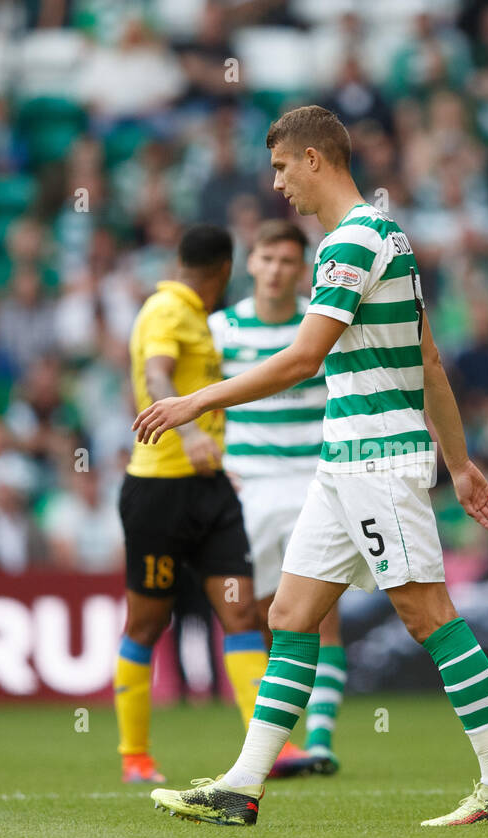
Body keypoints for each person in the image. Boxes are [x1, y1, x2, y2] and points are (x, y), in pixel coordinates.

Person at [135, 105, 488, 827]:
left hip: (376, 459)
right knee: (289, 616)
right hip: (341, 462)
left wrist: (197, 401)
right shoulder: (387, 235)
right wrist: (460, 463)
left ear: (314, 159)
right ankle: (242, 787)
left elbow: (303, 357)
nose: (277, 184)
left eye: (282, 167)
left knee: (428, 616)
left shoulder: (350, 242)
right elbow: (428, 359)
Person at [112, 224, 274, 785]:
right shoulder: (166, 311)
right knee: (148, 621)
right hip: (161, 490)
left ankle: (266, 753)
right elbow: (156, 375)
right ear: (226, 270)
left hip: (211, 490)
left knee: (241, 612)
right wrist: (188, 434)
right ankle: (135, 755)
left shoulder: (197, 318)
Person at [208, 219, 347, 777]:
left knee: (322, 616)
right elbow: (199, 400)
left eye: (288, 261)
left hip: (317, 484)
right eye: (267, 259)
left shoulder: (322, 322)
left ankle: (321, 741)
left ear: (302, 269)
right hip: (250, 489)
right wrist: (214, 462)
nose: (276, 271)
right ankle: (275, 746)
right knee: (264, 617)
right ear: (251, 263)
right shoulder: (221, 329)